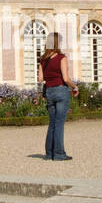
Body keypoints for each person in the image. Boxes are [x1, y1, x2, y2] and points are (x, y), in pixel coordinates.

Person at [37, 32, 78, 160]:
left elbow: (40, 79)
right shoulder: (61, 57)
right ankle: (59, 154)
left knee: (52, 123)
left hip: (49, 92)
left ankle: (49, 154)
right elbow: (65, 78)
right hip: (61, 91)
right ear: (57, 43)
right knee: (59, 123)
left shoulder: (43, 60)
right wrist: (75, 87)